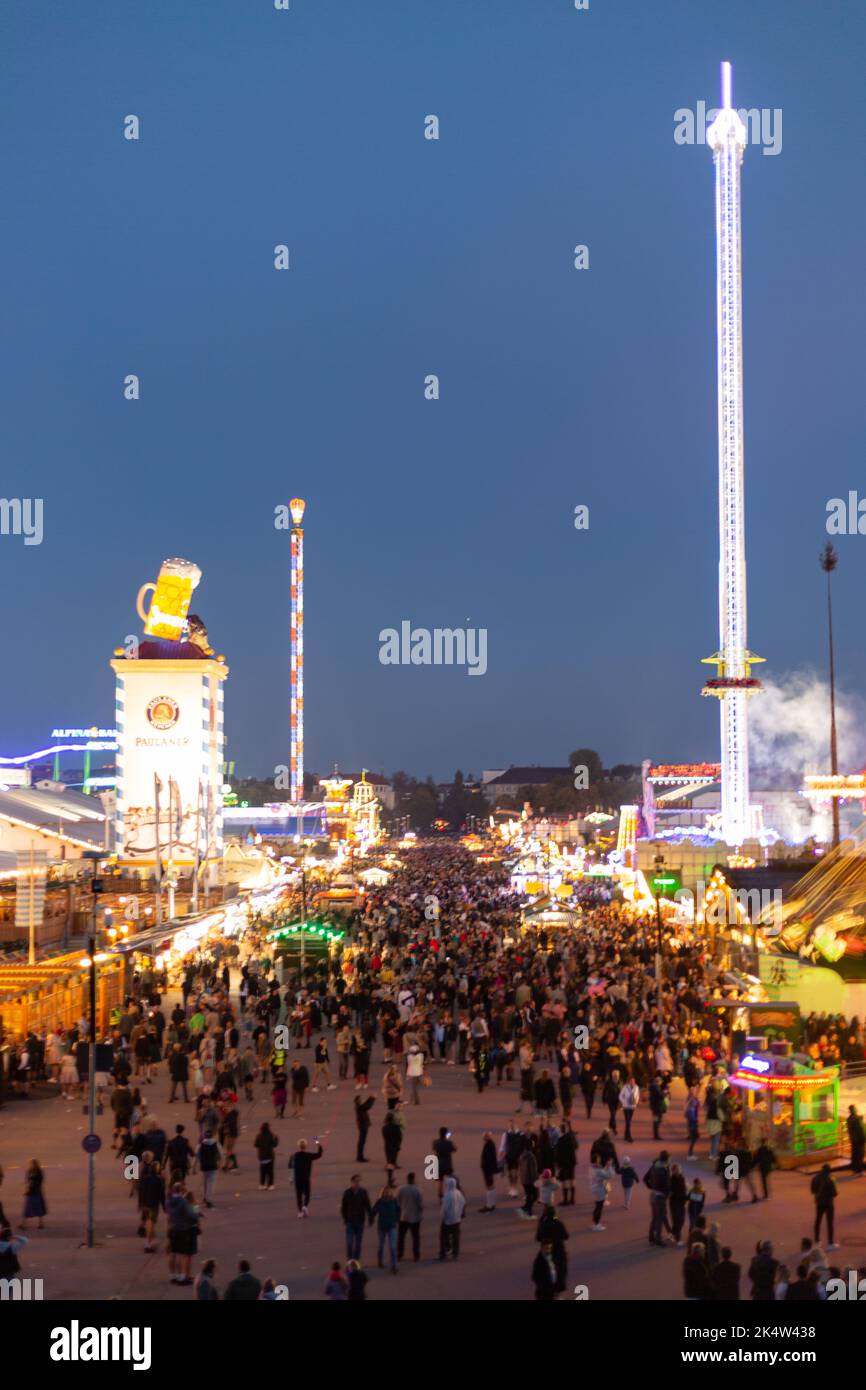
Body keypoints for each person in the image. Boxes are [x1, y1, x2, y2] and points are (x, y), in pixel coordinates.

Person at [166, 1182, 199, 1286]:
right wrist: (196, 1207)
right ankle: (181, 1277)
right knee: (181, 1253)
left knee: (172, 1253)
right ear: (180, 1190)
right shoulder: (183, 1202)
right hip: (182, 1229)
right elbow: (192, 1215)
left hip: (172, 1228)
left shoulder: (169, 1201)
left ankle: (172, 1275)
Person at [535, 1203, 568, 1293]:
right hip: (558, 1249)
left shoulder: (542, 1224)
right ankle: (558, 1292)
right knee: (560, 1270)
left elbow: (538, 1238)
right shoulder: (559, 1223)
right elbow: (566, 1236)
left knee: (546, 1271)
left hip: (546, 1250)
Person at [289, 1137, 324, 1217]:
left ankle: (300, 1212)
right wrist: (317, 1141)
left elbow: (290, 1166)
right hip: (306, 1177)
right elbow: (319, 1154)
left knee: (298, 1195)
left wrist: (291, 1178)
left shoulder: (294, 1155)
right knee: (307, 1193)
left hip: (297, 1178)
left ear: (298, 1146)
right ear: (306, 1146)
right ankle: (305, 1206)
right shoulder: (309, 1155)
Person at [341, 1173, 373, 1261]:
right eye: (355, 1181)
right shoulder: (347, 1193)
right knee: (350, 1243)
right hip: (350, 1221)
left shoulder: (363, 1192)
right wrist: (345, 1218)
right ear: (351, 1182)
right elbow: (344, 1207)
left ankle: (356, 1261)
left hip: (360, 1221)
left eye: (359, 1181)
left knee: (358, 1244)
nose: (357, 1183)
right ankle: (350, 1260)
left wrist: (370, 1218)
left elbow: (367, 1206)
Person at [371, 1181, 400, 1273]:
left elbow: (399, 1210)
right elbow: (373, 1212)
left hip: (392, 1226)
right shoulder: (379, 1202)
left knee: (393, 1247)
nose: (387, 1193)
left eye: (389, 1191)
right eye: (385, 1191)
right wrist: (371, 1219)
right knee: (381, 1245)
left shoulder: (394, 1201)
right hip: (382, 1227)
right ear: (382, 1193)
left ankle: (394, 1265)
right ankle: (380, 1261)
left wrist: (397, 1220)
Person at [810, 1164, 838, 1249]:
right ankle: (830, 1243)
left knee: (818, 1221)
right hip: (828, 1203)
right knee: (829, 1223)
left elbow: (812, 1190)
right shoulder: (830, 1179)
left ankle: (817, 1240)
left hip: (819, 1202)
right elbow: (834, 1193)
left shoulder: (815, 1178)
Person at [397, 1172, 423, 1261]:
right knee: (416, 1238)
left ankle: (399, 1255)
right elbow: (420, 1205)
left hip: (403, 1217)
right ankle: (416, 1256)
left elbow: (397, 1202)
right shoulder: (417, 1190)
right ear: (413, 1179)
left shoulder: (401, 1189)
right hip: (415, 1218)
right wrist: (420, 1214)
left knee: (401, 1237)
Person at [438, 1176, 465, 1261]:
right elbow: (463, 1202)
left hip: (448, 1220)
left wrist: (442, 1216)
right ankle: (455, 1253)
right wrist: (459, 1213)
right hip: (457, 1219)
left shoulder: (448, 1195)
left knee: (443, 1237)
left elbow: (444, 1209)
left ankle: (443, 1253)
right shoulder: (458, 1193)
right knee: (456, 1237)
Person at [194, 1129, 222, 1208]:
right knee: (211, 1183)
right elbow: (221, 1154)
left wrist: (194, 1168)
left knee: (205, 1182)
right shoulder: (216, 1144)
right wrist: (220, 1163)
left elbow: (196, 1156)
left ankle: (205, 1197)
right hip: (213, 1166)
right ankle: (209, 1200)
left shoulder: (200, 1145)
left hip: (204, 1166)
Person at [554, 1121, 577, 1206]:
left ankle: (565, 1199)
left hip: (564, 1163)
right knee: (572, 1179)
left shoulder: (561, 1140)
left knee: (565, 1180)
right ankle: (572, 1199)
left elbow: (559, 1153)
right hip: (572, 1161)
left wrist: (559, 1164)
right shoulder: (571, 1136)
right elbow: (575, 1146)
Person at [589, 1159, 614, 1232]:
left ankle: (595, 1223)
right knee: (599, 1208)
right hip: (599, 1191)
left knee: (597, 1206)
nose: (600, 1163)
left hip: (595, 1190)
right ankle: (596, 1224)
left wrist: (606, 1167)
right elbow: (610, 1175)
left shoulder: (594, 1170)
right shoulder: (599, 1171)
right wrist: (609, 1166)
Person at [22, 1160, 46, 1229]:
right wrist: (28, 1184)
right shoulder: (30, 1171)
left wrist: (31, 1184)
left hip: (35, 1193)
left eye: (32, 1164)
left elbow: (39, 1182)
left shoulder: (38, 1172)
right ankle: (24, 1224)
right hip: (32, 1192)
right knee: (28, 1209)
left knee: (37, 1209)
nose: (31, 1165)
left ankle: (40, 1224)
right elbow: (27, 1179)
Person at [254, 1121, 279, 1189]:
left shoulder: (259, 1135)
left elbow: (256, 1144)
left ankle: (262, 1184)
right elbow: (275, 1144)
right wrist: (276, 1138)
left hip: (262, 1157)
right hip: (269, 1156)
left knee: (263, 1171)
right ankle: (270, 1185)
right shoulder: (271, 1135)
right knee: (270, 1172)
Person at [669, 1163, 687, 1246]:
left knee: (682, 1220)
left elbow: (684, 1189)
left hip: (681, 1202)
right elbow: (673, 1191)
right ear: (673, 1171)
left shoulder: (682, 1178)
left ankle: (672, 1234)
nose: (679, 1170)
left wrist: (686, 1197)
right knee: (677, 1221)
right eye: (677, 1169)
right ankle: (678, 1239)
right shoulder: (671, 1180)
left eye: (680, 1169)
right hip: (674, 1202)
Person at [480, 1131, 498, 1212]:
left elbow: (489, 1158)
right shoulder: (490, 1144)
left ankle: (489, 1205)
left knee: (489, 1187)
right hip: (489, 1169)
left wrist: (485, 1167)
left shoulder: (489, 1145)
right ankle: (492, 1204)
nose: (483, 1137)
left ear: (487, 1137)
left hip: (488, 1169)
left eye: (484, 1136)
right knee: (491, 1186)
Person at [354, 1092, 374, 1162]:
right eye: (360, 1099)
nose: (362, 1100)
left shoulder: (358, 1106)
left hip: (362, 1125)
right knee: (362, 1141)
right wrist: (372, 1098)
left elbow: (365, 1105)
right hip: (363, 1126)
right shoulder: (360, 1107)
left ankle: (360, 1156)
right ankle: (360, 1157)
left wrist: (369, 1098)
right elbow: (367, 1106)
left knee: (362, 1141)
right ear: (358, 1100)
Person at [619, 1076, 639, 1143]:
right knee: (628, 1121)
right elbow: (620, 1096)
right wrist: (624, 1101)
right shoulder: (625, 1087)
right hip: (626, 1106)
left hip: (632, 1106)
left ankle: (625, 1134)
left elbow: (637, 1095)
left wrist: (636, 1102)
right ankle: (629, 1137)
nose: (632, 1082)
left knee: (629, 1121)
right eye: (631, 1081)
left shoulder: (636, 1087)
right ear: (629, 1081)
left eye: (633, 1081)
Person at [848, 1104, 866, 1176]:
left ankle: (855, 1170)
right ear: (854, 1109)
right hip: (860, 1140)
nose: (856, 1109)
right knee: (860, 1155)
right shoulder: (857, 1118)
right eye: (855, 1108)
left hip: (854, 1140)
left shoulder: (849, 1118)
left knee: (855, 1155)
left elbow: (851, 1130)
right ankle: (859, 1171)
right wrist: (864, 1138)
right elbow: (861, 1129)